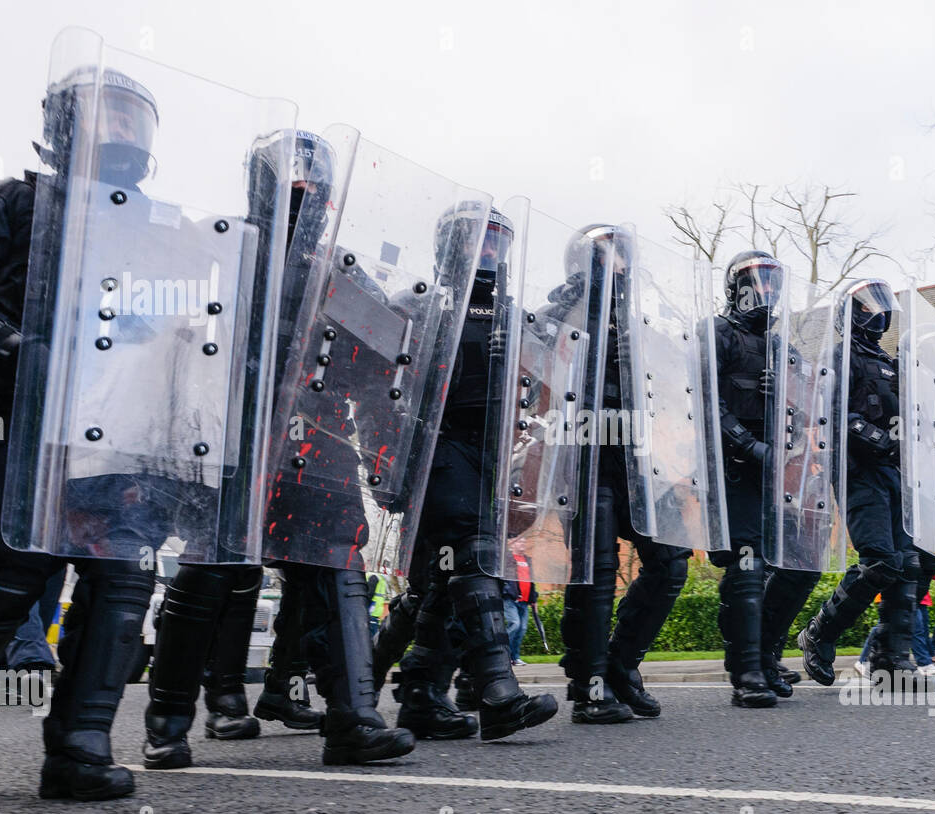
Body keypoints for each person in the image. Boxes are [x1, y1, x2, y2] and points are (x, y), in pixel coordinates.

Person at [142, 129, 411, 769]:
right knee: (211, 571)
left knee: (341, 567)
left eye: (314, 178)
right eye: (290, 174)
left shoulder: (340, 270)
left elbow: (381, 365)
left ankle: (354, 721)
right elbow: (171, 339)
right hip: (232, 431)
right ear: (263, 179)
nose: (304, 186)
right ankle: (168, 721)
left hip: (317, 435)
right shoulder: (220, 247)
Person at [0, 67, 167, 799]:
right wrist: (14, 348)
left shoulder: (159, 230)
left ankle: (80, 745)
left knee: (125, 577)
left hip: (122, 432)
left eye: (137, 120)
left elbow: (190, 328)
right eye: (113, 116)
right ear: (64, 119)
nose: (126, 132)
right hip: (24, 419)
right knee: (4, 579)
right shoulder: (11, 200)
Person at [392, 206, 558, 741]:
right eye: (479, 242)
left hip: (489, 453)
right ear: (451, 246)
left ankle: (416, 694)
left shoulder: (516, 317)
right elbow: (379, 381)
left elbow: (547, 388)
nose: (490, 254)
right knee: (475, 555)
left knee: (439, 584)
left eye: (499, 244)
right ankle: (497, 692)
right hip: (436, 445)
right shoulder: (419, 303)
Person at [555, 225, 690, 722]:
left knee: (671, 560)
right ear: (581, 261)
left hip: (639, 456)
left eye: (623, 255)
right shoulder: (557, 315)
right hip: (584, 451)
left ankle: (620, 666)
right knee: (595, 570)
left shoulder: (641, 324)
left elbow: (675, 388)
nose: (618, 263)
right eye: (606, 254)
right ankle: (588, 684)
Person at [798, 279, 923, 684]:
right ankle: (819, 633)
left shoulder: (888, 361)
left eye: (883, 305)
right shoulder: (840, 356)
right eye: (870, 306)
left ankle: (892, 657)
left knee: (907, 564)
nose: (879, 312)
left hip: (893, 472)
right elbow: (834, 413)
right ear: (852, 314)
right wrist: (879, 439)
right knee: (881, 561)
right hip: (859, 472)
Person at [710, 251, 821, 706]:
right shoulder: (718, 334)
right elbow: (700, 400)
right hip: (734, 467)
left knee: (802, 563)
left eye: (775, 283)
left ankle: (768, 652)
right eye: (759, 282)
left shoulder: (782, 348)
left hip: (779, 469)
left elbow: (813, 408)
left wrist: (789, 398)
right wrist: (750, 446)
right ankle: (747, 670)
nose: (768, 293)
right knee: (749, 563)